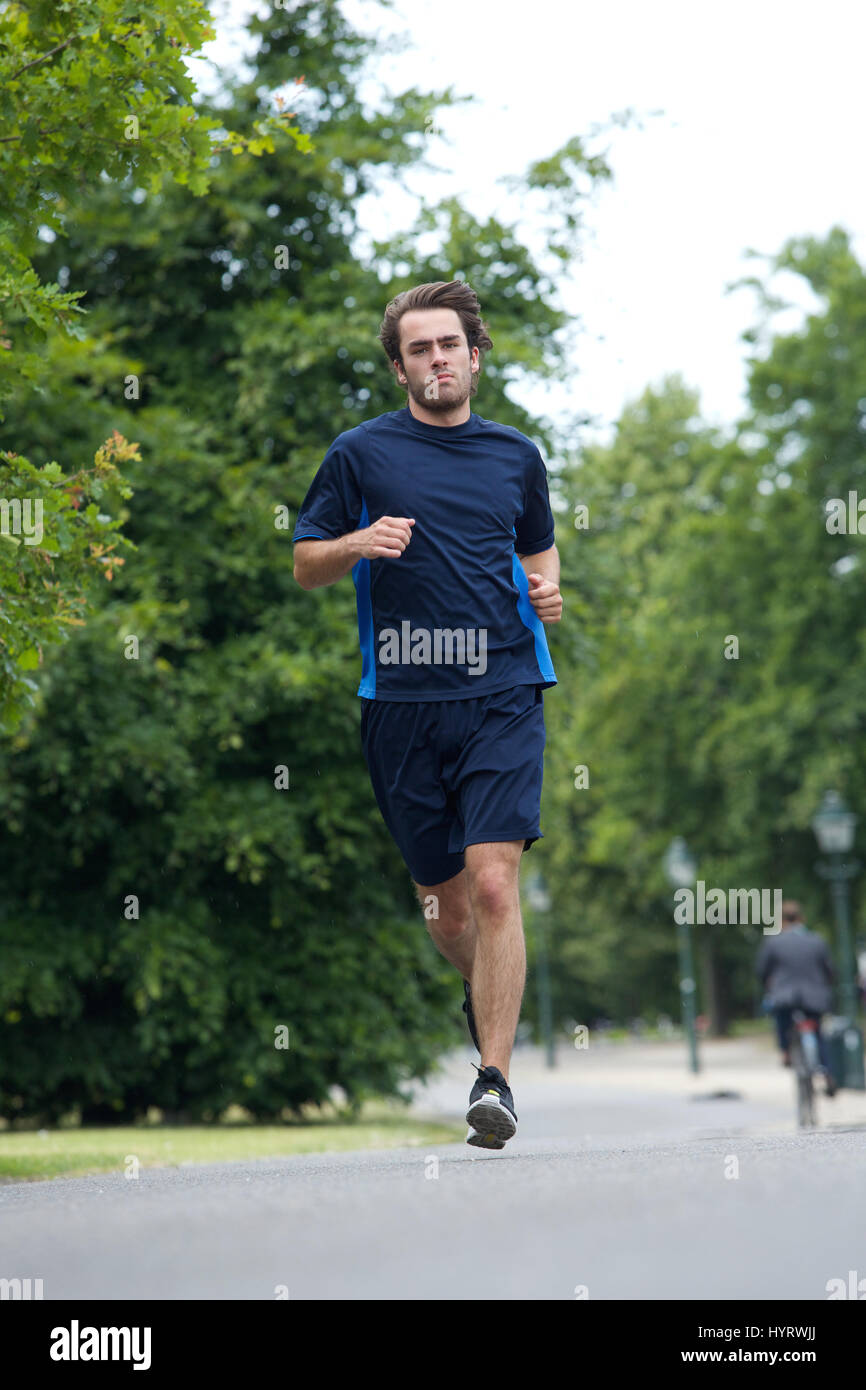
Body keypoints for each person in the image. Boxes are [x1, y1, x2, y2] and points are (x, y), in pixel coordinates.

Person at [292, 280, 562, 1149]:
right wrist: (357, 544)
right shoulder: (360, 455)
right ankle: (483, 994)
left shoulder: (517, 455)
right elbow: (305, 562)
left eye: (449, 345)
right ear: (400, 365)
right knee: (446, 912)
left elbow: (538, 553)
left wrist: (549, 589)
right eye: (419, 349)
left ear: (474, 355)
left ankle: (495, 1080)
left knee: (493, 882)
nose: (437, 360)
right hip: (401, 704)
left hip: (502, 692)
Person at [756, 900, 837, 1096]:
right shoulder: (816, 940)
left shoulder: (773, 942)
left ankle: (785, 1051)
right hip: (814, 997)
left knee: (782, 1020)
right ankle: (827, 1073)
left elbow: (761, 971)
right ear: (802, 918)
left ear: (781, 921)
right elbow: (830, 971)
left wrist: (768, 984)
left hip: (785, 996)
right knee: (818, 1033)